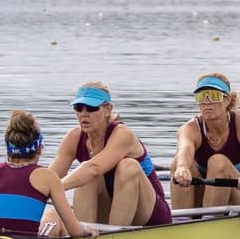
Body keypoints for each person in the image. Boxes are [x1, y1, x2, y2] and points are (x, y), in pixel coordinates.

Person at [47, 82, 173, 227]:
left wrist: (56, 189)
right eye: (78, 108)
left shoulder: (122, 134)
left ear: (108, 109)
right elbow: (50, 176)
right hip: (110, 210)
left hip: (150, 215)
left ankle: (114, 238)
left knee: (126, 166)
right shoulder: (73, 138)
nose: (84, 114)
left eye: (91, 108)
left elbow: (94, 168)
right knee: (83, 175)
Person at [0, 109, 96, 239]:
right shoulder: (48, 177)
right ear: (40, 148)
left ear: (8, 148)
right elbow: (75, 231)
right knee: (53, 214)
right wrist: (85, 230)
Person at [170, 73, 240, 208]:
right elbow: (185, 150)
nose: (207, 102)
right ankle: (181, 221)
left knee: (218, 161)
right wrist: (182, 169)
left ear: (227, 100)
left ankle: (209, 221)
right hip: (205, 194)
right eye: (202, 97)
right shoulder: (189, 129)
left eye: (213, 96)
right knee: (176, 164)